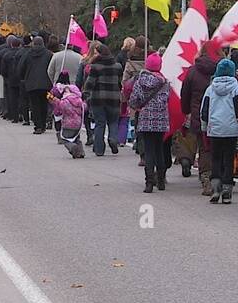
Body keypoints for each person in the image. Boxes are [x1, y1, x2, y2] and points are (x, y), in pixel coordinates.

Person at [201, 58, 238, 204]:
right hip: (232, 129)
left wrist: (205, 127)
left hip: (215, 129)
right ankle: (227, 190)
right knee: (228, 158)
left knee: (216, 158)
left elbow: (204, 111)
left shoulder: (210, 89)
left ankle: (215, 188)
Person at [130, 53, 171, 192]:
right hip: (161, 120)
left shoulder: (140, 81)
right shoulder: (164, 82)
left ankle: (149, 183)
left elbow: (134, 99)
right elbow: (167, 99)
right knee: (159, 149)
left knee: (148, 151)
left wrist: (138, 106)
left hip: (146, 119)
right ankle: (161, 181)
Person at [179, 51, 217, 194]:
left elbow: (185, 93)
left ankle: (206, 178)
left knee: (204, 147)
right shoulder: (218, 70)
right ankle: (219, 177)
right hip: (219, 114)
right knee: (218, 147)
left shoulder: (192, 72)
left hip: (199, 114)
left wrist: (186, 110)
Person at [83, 43, 123, 156]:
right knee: (113, 122)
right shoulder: (117, 67)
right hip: (114, 98)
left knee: (100, 123)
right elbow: (119, 83)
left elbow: (90, 83)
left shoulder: (95, 67)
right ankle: (113, 139)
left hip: (98, 99)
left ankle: (99, 149)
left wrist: (86, 94)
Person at [19, 36, 52, 134]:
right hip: (46, 83)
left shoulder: (28, 54)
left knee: (35, 105)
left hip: (31, 83)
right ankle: (43, 124)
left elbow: (21, 67)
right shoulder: (48, 54)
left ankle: (38, 126)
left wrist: (23, 77)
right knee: (44, 104)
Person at [51, 83, 86, 159]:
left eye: (66, 91)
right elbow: (85, 107)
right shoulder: (79, 101)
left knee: (65, 139)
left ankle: (73, 148)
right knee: (76, 139)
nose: (64, 93)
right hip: (78, 124)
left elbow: (62, 107)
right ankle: (81, 152)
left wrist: (55, 100)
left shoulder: (66, 101)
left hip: (68, 124)